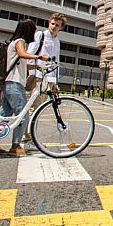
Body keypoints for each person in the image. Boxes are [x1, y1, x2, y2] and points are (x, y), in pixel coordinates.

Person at [0, 19, 49, 156]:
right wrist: (40, 57)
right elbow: (22, 54)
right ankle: (15, 146)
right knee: (22, 116)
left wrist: (36, 66)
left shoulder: (12, 43)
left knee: (3, 116)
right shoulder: (20, 42)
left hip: (8, 84)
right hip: (15, 84)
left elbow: (21, 63)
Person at [24, 13, 66, 142]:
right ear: (49, 23)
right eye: (52, 23)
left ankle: (29, 133)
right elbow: (30, 55)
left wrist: (55, 82)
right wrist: (33, 74)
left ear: (61, 28)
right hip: (37, 76)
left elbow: (56, 62)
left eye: (57, 25)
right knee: (31, 106)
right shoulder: (40, 35)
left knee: (38, 108)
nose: (54, 27)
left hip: (48, 78)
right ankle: (25, 134)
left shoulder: (57, 41)